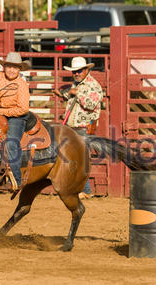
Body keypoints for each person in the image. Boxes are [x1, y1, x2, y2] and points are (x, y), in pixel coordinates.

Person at [53, 56, 103, 199]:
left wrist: (76, 93)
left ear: (86, 70)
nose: (76, 73)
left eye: (79, 71)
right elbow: (75, 101)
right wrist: (63, 95)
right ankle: (79, 189)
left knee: (80, 159)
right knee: (73, 158)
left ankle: (85, 190)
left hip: (84, 127)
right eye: (74, 71)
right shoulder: (78, 84)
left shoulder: (93, 85)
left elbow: (91, 104)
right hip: (72, 127)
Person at [0, 52, 30, 192]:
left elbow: (23, 109)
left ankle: (17, 180)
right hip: (1, 112)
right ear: (5, 67)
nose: (12, 70)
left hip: (17, 116)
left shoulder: (21, 85)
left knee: (11, 144)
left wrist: (3, 112)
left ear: (19, 70)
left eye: (15, 68)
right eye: (9, 67)